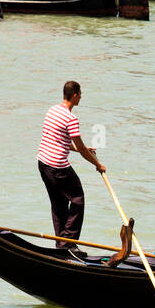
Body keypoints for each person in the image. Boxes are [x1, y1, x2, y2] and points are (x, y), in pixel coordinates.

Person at [37, 81, 105, 259]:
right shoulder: (70, 118)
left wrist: (85, 149)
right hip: (57, 166)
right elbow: (80, 148)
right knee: (78, 199)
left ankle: (61, 244)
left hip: (43, 164)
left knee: (59, 204)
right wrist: (97, 165)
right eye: (80, 94)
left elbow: (60, 140)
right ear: (74, 95)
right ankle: (68, 244)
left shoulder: (52, 110)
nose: (81, 97)